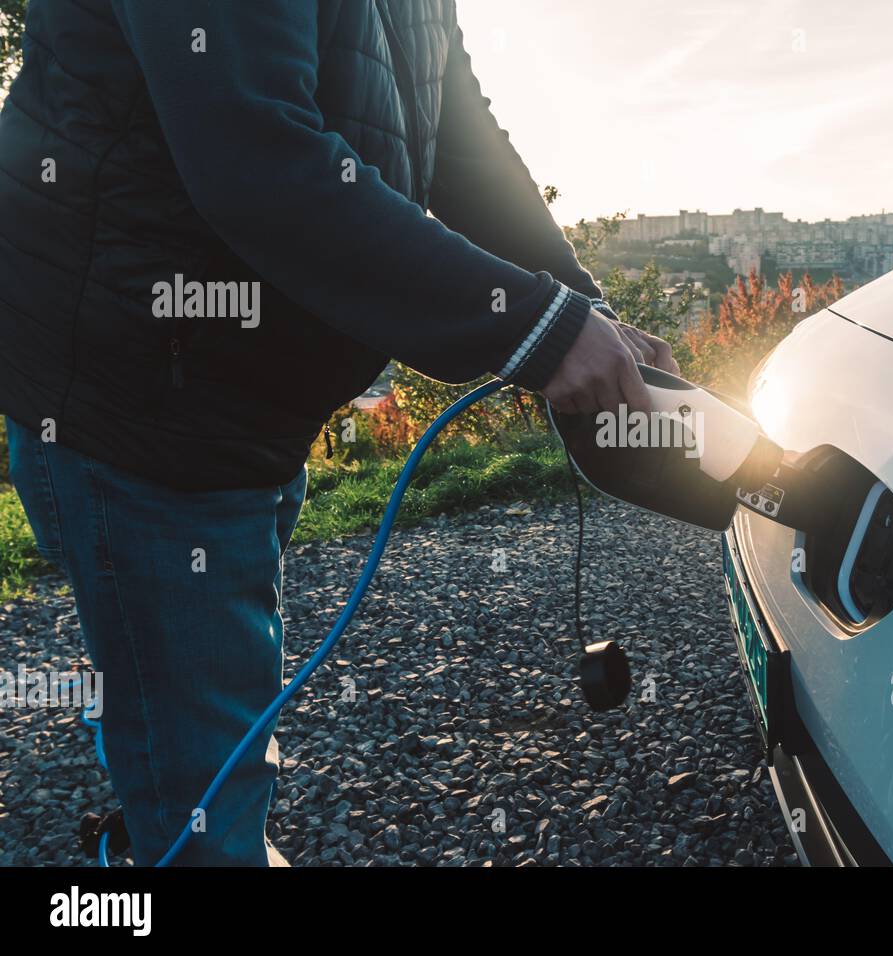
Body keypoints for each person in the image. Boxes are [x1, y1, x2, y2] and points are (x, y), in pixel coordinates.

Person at [0, 0, 675, 865]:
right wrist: (532, 329)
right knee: (208, 793)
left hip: (237, 401)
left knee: (191, 724)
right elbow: (255, 156)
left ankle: (156, 822)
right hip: (139, 401)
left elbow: (460, 133)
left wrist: (583, 312)